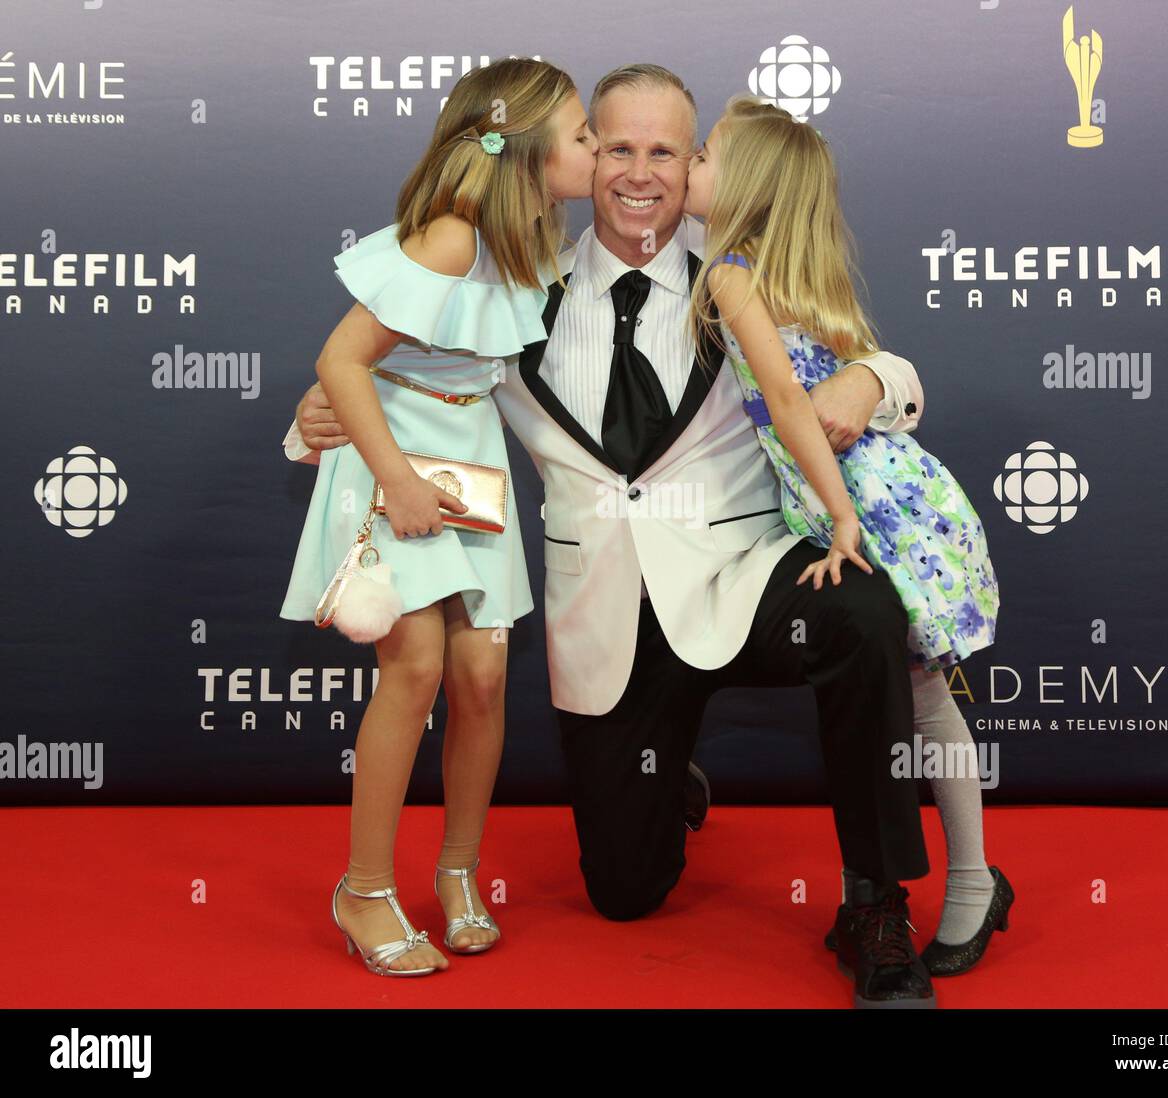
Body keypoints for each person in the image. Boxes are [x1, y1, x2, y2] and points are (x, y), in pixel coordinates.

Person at [287, 64, 934, 1008]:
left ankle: (876, 905)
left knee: (863, 608)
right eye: (615, 147)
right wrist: (312, 418)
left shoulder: (734, 274)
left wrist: (873, 385)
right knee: (625, 893)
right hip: (607, 614)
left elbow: (871, 355)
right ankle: (669, 781)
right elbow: (393, 369)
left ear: (694, 163)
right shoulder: (515, 284)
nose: (639, 172)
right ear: (579, 161)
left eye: (664, 151)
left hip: (741, 580)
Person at [682, 93, 1013, 975]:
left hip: (871, 505)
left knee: (926, 693)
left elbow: (794, 403)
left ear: (744, 186)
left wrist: (836, 519)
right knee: (925, 694)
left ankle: (971, 884)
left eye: (705, 154)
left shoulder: (730, 275)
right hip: (892, 496)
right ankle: (963, 882)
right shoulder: (797, 280)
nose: (688, 166)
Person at [280, 57, 596, 976]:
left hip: (471, 465)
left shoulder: (529, 241)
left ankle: (459, 875)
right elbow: (341, 363)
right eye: (579, 135)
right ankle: (364, 890)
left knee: (484, 679)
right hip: (392, 468)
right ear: (525, 148)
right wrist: (396, 480)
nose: (590, 150)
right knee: (413, 668)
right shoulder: (451, 238)